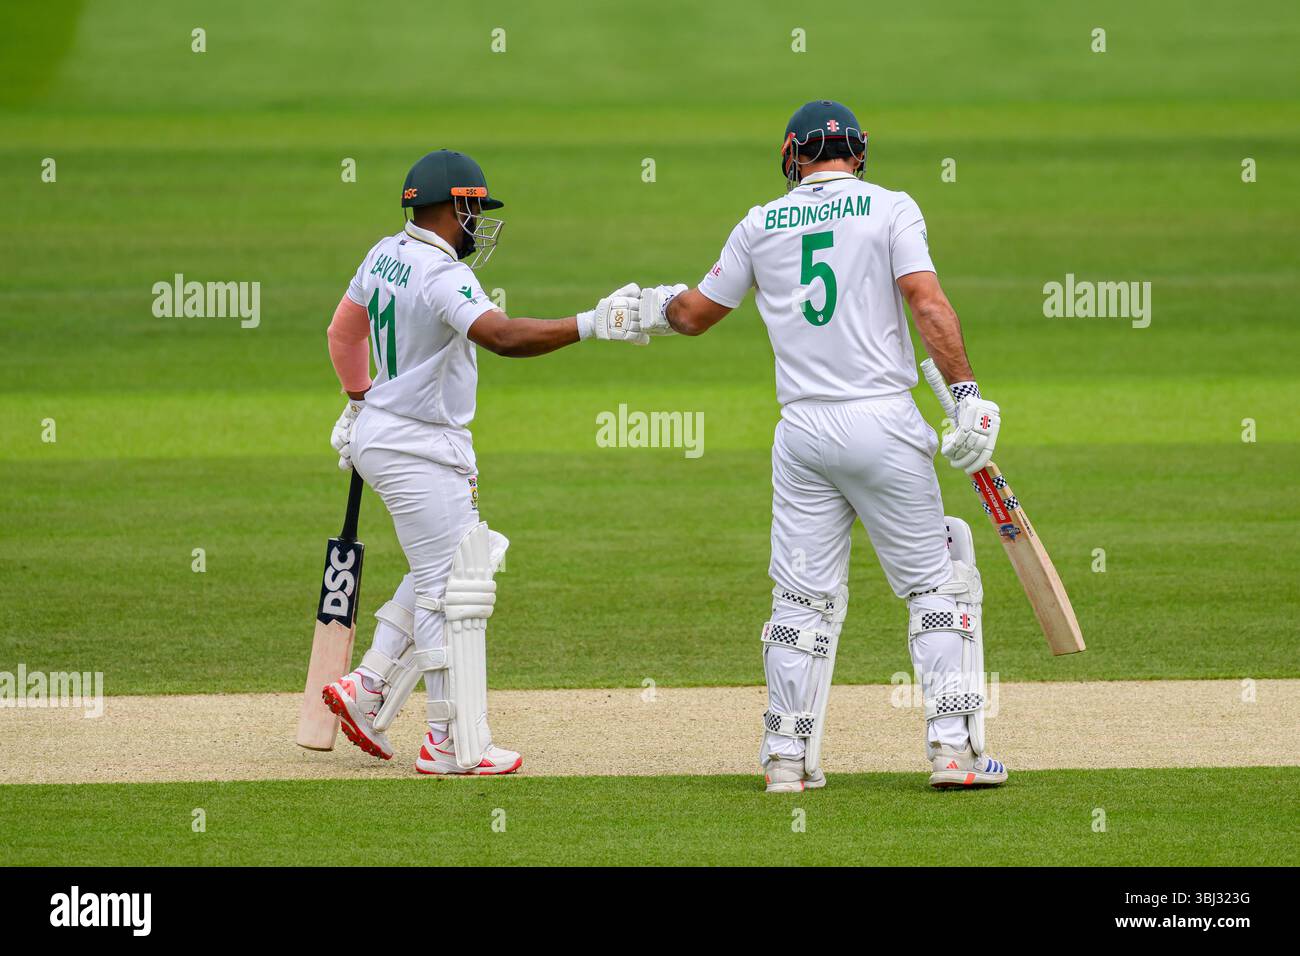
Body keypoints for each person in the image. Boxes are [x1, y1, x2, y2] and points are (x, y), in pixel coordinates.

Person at [633, 101, 1008, 792]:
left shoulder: (760, 222)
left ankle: (783, 759)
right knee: (935, 583)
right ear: (857, 153)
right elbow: (925, 302)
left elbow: (693, 315)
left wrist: (648, 306)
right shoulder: (890, 207)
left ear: (792, 155)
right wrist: (965, 397)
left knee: (800, 601)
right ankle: (952, 752)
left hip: (802, 432)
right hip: (882, 422)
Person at [321, 148, 644, 775]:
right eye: (472, 208)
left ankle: (368, 686)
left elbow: (342, 332)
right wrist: (590, 323)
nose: (477, 222)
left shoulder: (383, 252)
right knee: (454, 590)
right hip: (423, 446)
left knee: (445, 563)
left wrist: (361, 400)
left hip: (383, 436)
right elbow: (502, 337)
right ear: (448, 207)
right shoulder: (447, 276)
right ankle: (449, 741)